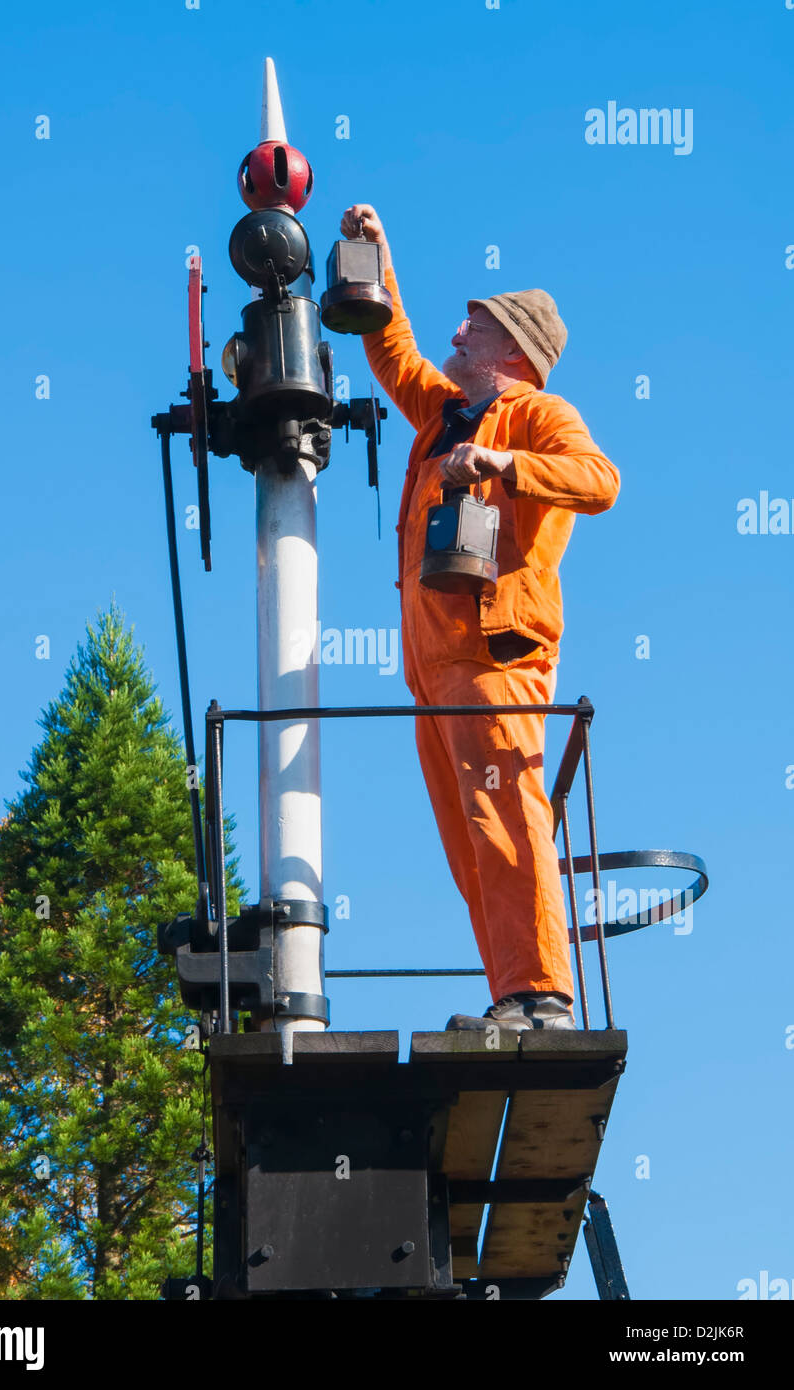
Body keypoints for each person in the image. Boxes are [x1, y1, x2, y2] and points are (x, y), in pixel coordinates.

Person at [341, 203, 620, 1032]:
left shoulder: (539, 413)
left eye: (473, 325)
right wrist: (374, 255)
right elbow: (391, 347)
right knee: (471, 841)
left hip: (495, 653)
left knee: (506, 813)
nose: (455, 334)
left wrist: (503, 461)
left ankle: (542, 996)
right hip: (433, 668)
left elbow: (599, 481)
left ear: (513, 351)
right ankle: (514, 995)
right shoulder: (439, 416)